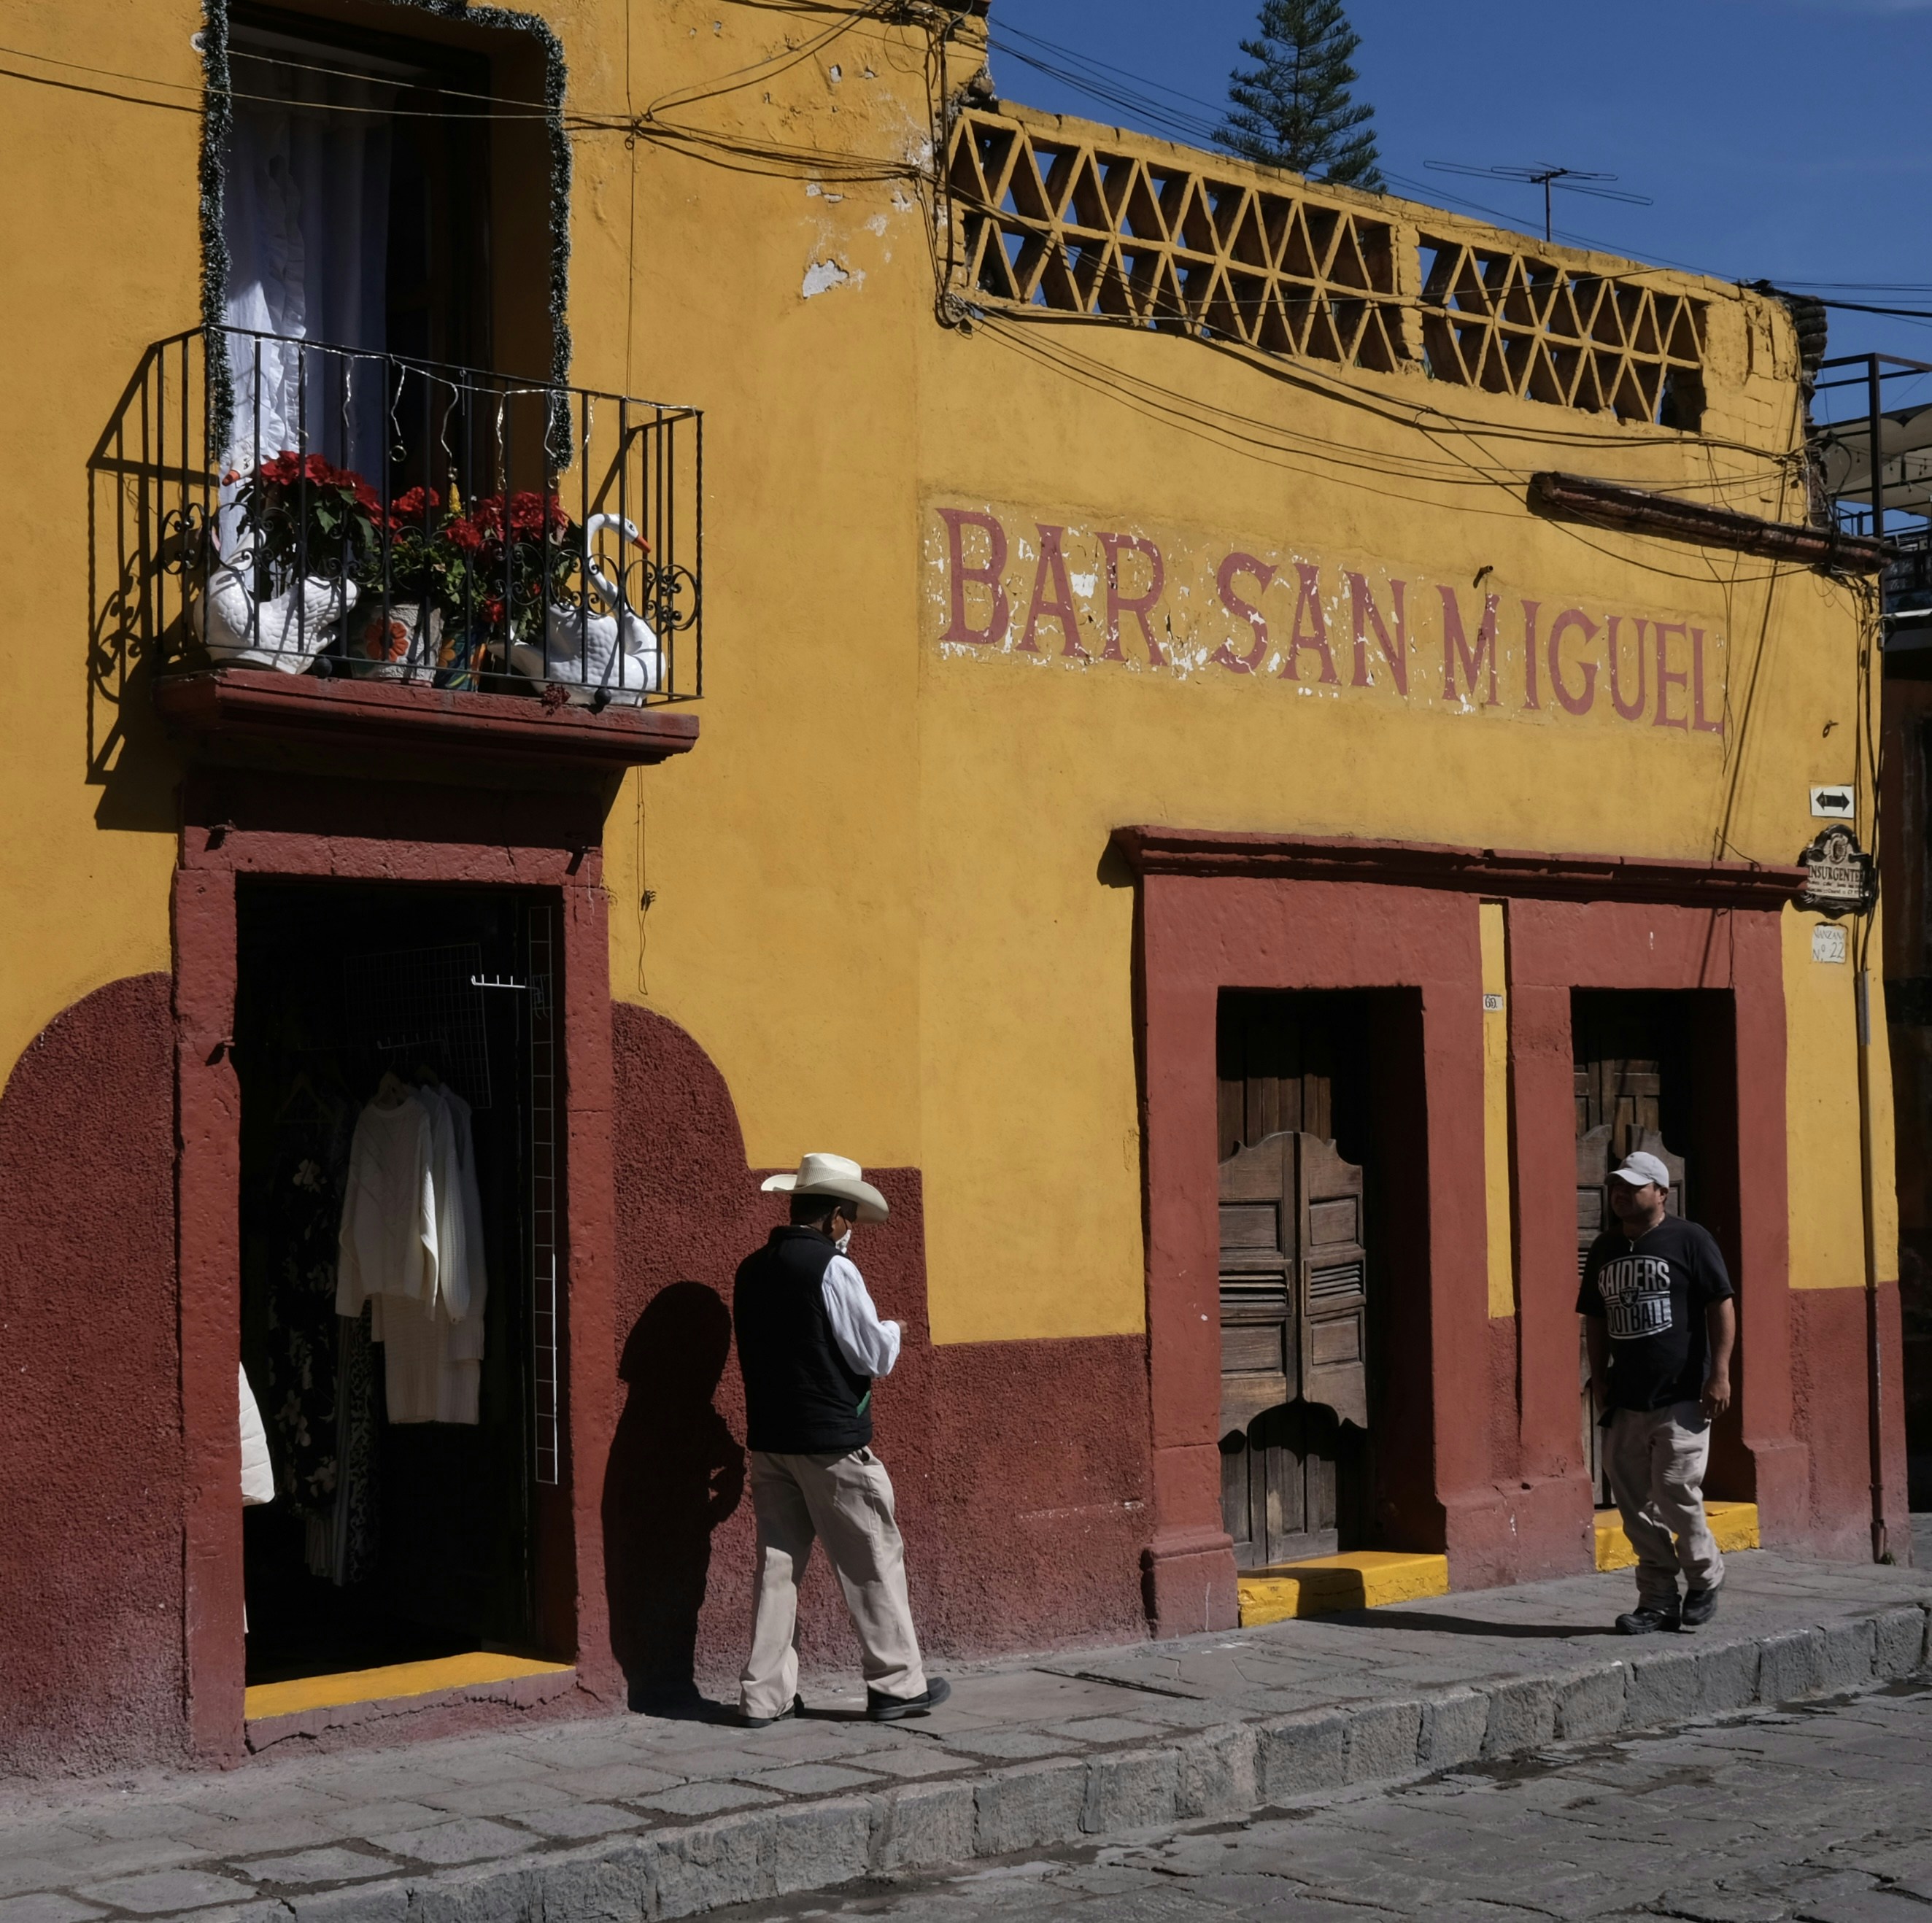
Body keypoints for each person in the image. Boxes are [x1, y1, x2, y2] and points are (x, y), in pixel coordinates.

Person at [732, 1152, 949, 1726]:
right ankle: (897, 1684)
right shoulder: (832, 1268)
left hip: (772, 1442)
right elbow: (870, 1355)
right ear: (833, 1217)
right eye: (849, 1217)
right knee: (872, 1558)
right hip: (831, 1445)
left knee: (777, 1570)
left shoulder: (751, 1269)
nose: (850, 1228)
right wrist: (894, 1331)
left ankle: (764, 1696)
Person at [1577, 1149, 1737, 1636]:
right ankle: (1658, 1600)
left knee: (1674, 1490)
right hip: (1626, 1398)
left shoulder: (1690, 1239)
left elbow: (1721, 1303)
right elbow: (1595, 1316)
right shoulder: (1605, 1247)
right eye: (1616, 1187)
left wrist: (1720, 1373)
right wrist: (1598, 1374)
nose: (1621, 1194)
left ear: (1662, 1193)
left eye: (1633, 1187)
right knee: (1633, 1506)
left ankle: (1705, 1576)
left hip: (1683, 1393)